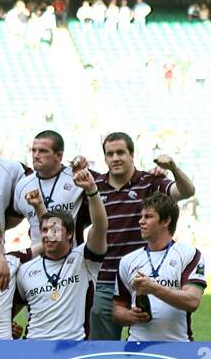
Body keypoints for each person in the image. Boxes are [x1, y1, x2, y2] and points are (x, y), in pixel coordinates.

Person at [77, 133, 195, 341]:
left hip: (143, 281)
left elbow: (186, 192)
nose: (115, 158)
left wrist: (173, 168)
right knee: (103, 350)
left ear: (132, 154)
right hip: (105, 280)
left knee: (150, 342)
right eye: (110, 154)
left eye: (120, 152)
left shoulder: (150, 182)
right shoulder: (95, 185)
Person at [14, 164, 108, 340]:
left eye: (55, 230)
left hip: (74, 347)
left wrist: (92, 191)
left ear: (70, 233)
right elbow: (10, 308)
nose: (48, 235)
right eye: (44, 230)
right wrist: (9, 325)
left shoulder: (84, 260)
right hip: (34, 345)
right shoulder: (26, 269)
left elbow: (100, 227)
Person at [113, 195, 207, 341]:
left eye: (148, 216)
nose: (141, 221)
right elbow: (117, 307)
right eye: (141, 216)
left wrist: (153, 288)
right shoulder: (128, 260)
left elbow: (192, 301)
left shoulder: (189, 254)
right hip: (136, 346)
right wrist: (128, 315)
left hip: (177, 345)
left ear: (166, 221)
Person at [14, 130, 86, 245]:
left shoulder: (76, 177)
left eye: (42, 151)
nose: (36, 155)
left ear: (59, 155)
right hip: (37, 254)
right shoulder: (22, 186)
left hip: (71, 254)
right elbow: (14, 216)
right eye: (34, 150)